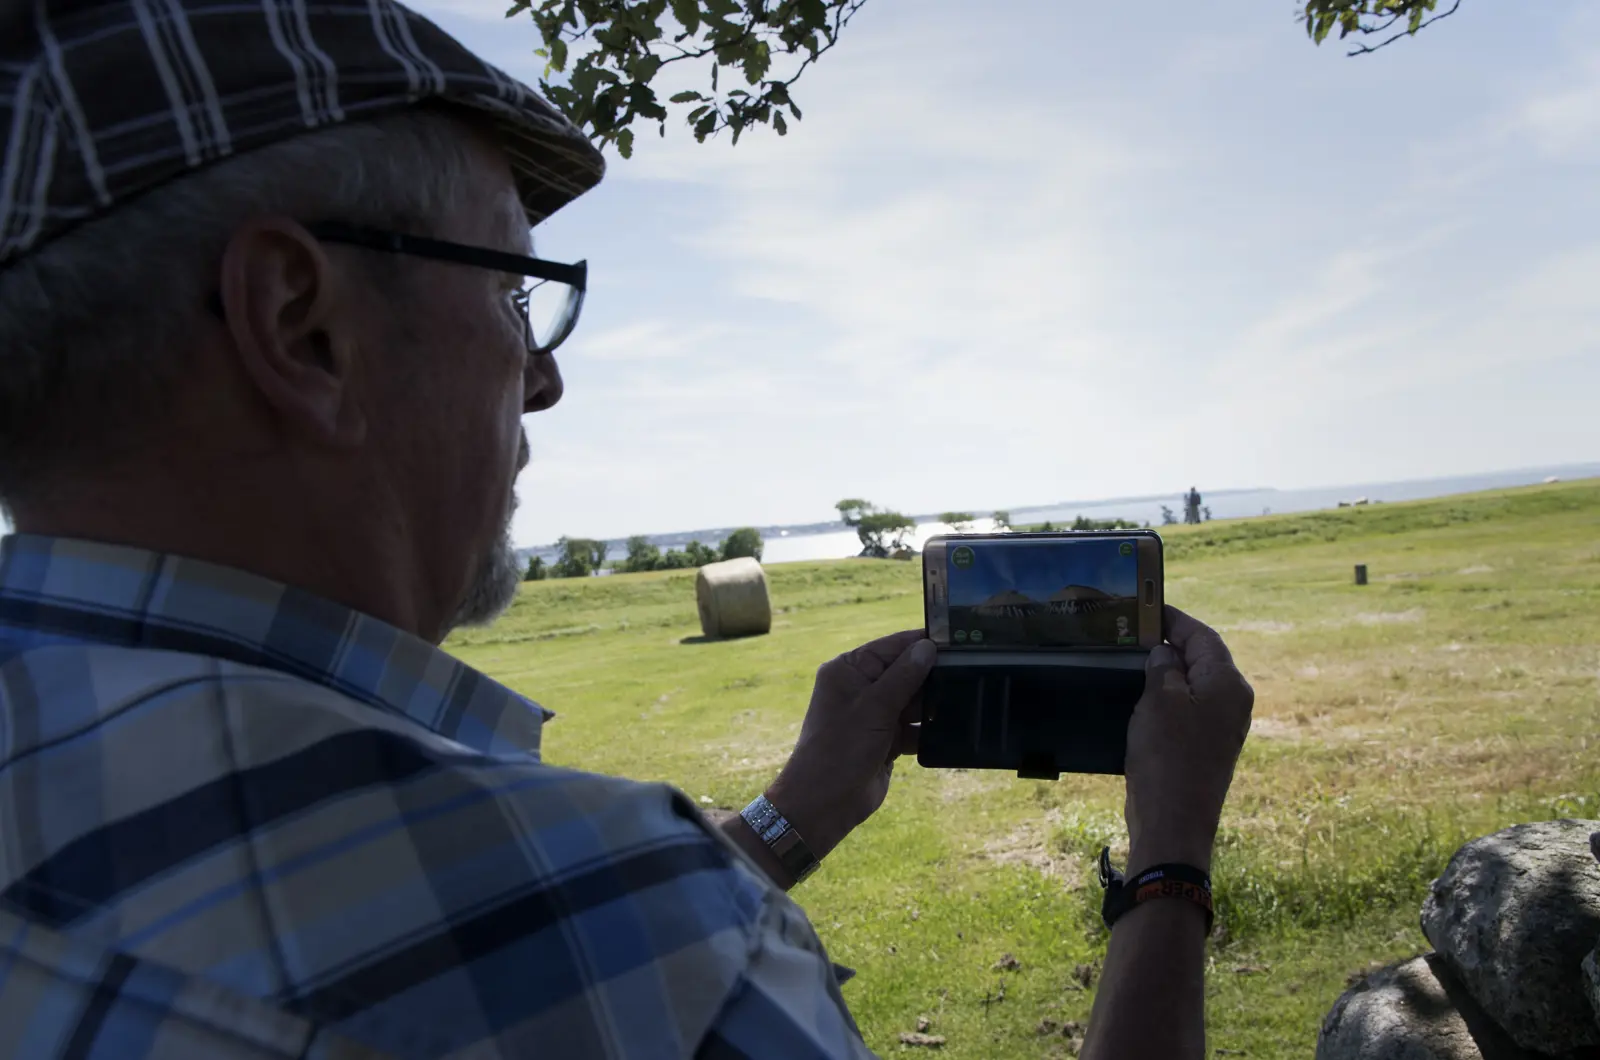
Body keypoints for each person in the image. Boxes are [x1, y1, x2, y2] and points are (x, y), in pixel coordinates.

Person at [0, 1, 1253, 1056]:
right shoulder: (639, 935)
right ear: (303, 326)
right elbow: (574, 931)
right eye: (508, 290)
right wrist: (1168, 865)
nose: (541, 379)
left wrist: (790, 815)